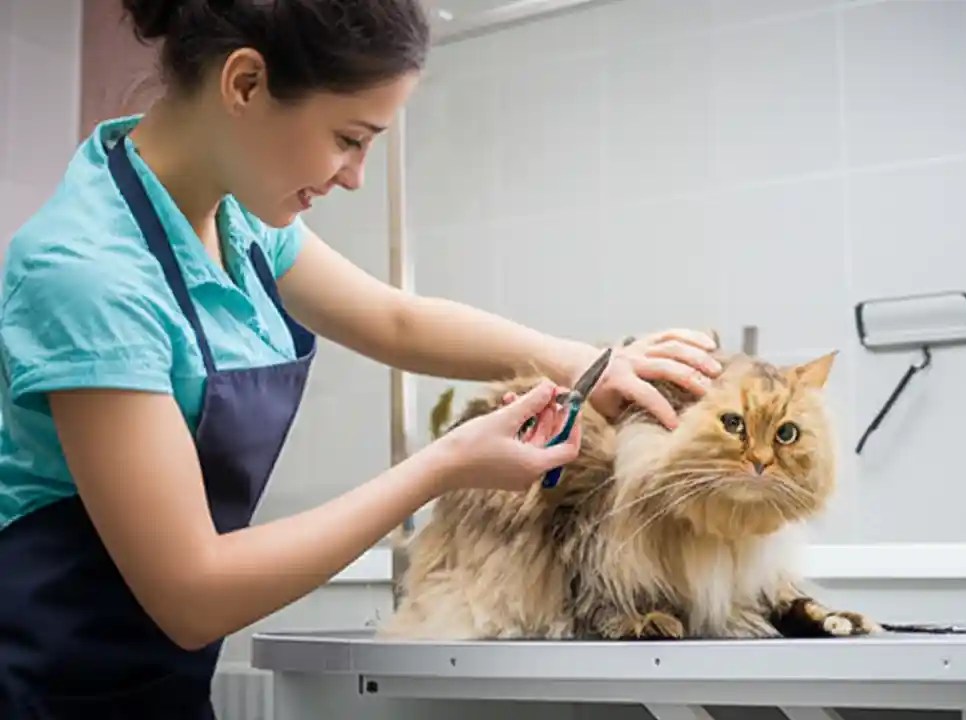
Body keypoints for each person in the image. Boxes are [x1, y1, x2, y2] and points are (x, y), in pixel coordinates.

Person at [0, 1, 723, 717]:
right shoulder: (89, 273)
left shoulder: (236, 219)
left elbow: (395, 318)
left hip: (164, 691)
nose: (355, 176)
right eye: (349, 137)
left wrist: (588, 363)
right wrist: (443, 465)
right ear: (245, 84)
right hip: (47, 690)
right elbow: (192, 593)